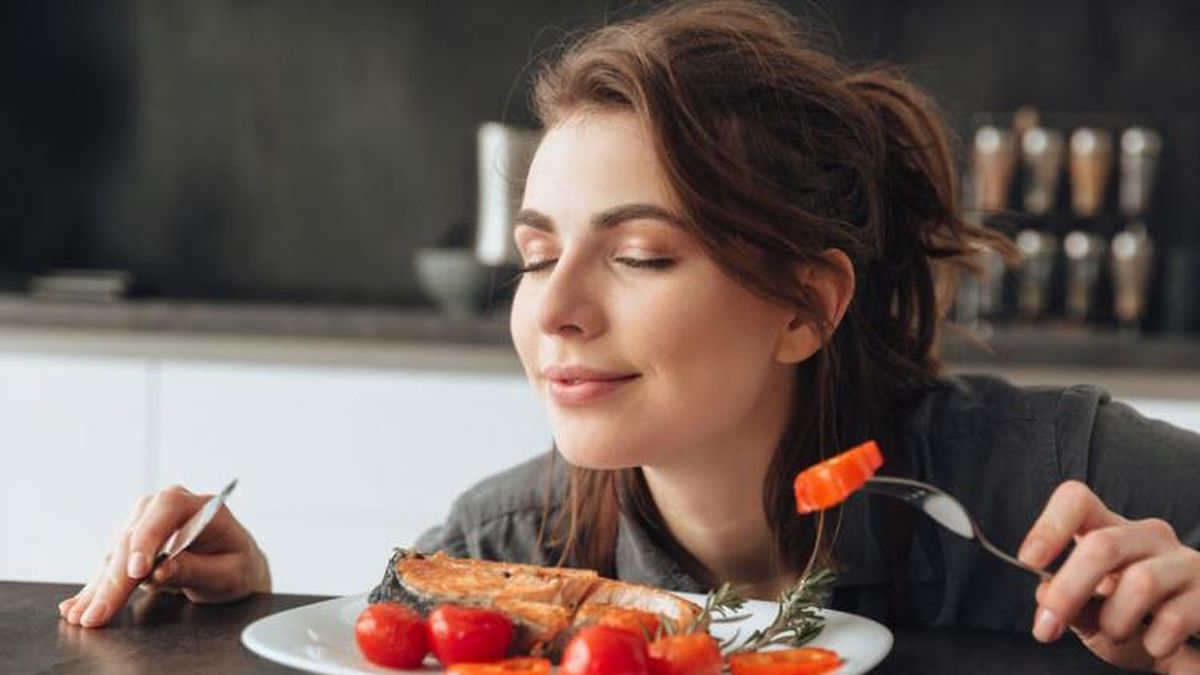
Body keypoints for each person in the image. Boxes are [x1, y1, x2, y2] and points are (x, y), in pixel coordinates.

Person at [59, 1, 1200, 671]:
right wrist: (239, 617)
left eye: (641, 255)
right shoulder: (501, 547)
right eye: (535, 254)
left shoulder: (1058, 477)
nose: (553, 309)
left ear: (804, 305)